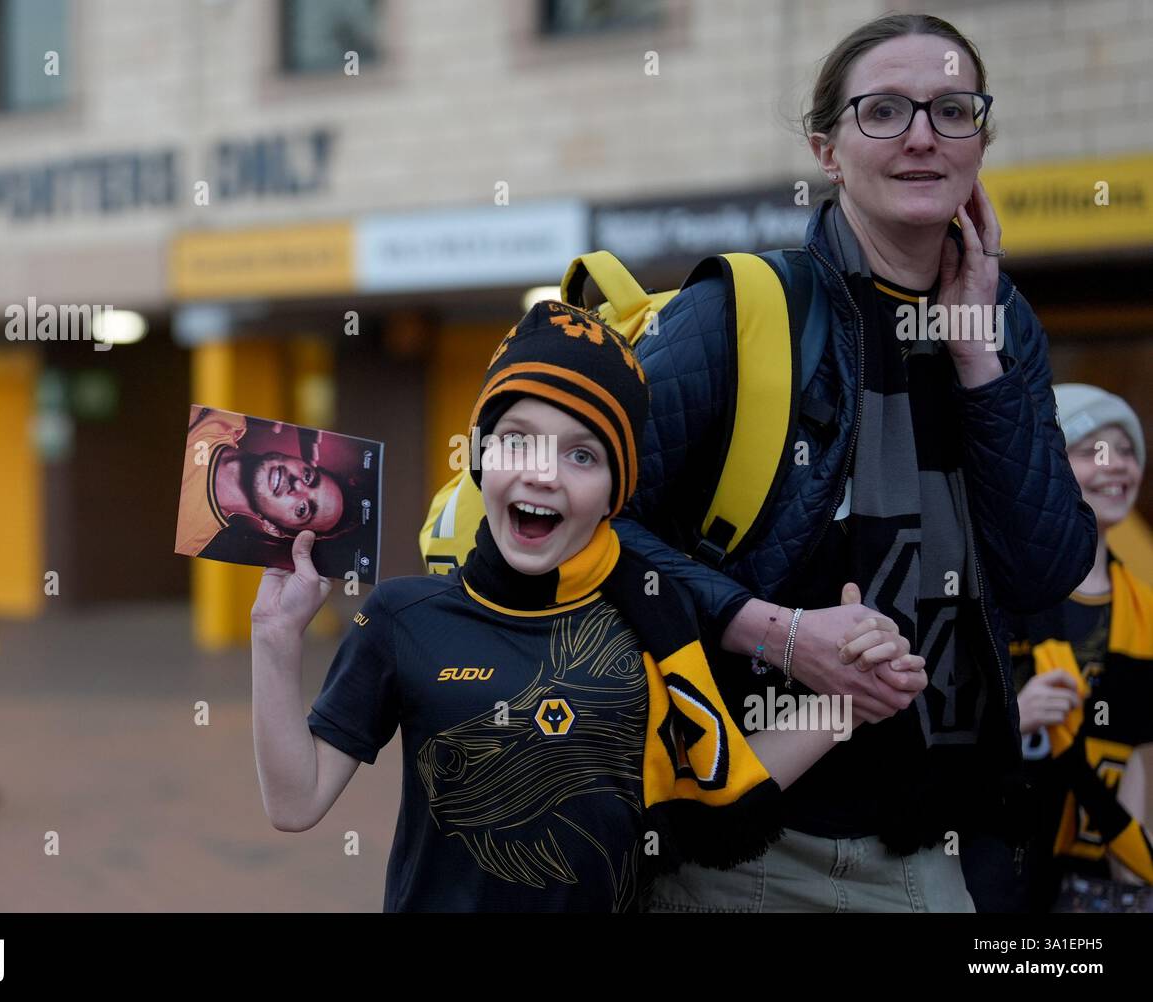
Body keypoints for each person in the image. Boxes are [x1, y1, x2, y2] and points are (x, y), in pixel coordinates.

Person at [613, 13, 1097, 912]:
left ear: (980, 141)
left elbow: (1045, 571)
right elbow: (598, 530)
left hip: (957, 837)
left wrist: (976, 357)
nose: (921, 135)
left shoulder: (1005, 322)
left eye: (952, 109)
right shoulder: (743, 314)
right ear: (827, 149)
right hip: (755, 842)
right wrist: (776, 633)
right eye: (883, 111)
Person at [248, 301, 924, 911]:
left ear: (613, 494)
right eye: (517, 438)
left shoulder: (655, 618)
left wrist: (847, 705)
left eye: (582, 453)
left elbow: (722, 792)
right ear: (481, 457)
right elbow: (295, 800)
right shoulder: (402, 616)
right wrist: (275, 641)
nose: (542, 471)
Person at [965, 385, 1153, 912]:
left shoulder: (1145, 612)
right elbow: (921, 725)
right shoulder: (989, 591)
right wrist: (1010, 719)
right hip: (984, 859)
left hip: (1093, 882)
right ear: (1046, 463)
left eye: (1128, 449)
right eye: (1093, 449)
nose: (1117, 466)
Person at [177, 406, 364, 559]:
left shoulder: (186, 535)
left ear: (272, 528)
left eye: (302, 509)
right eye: (309, 477)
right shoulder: (228, 413)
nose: (297, 486)